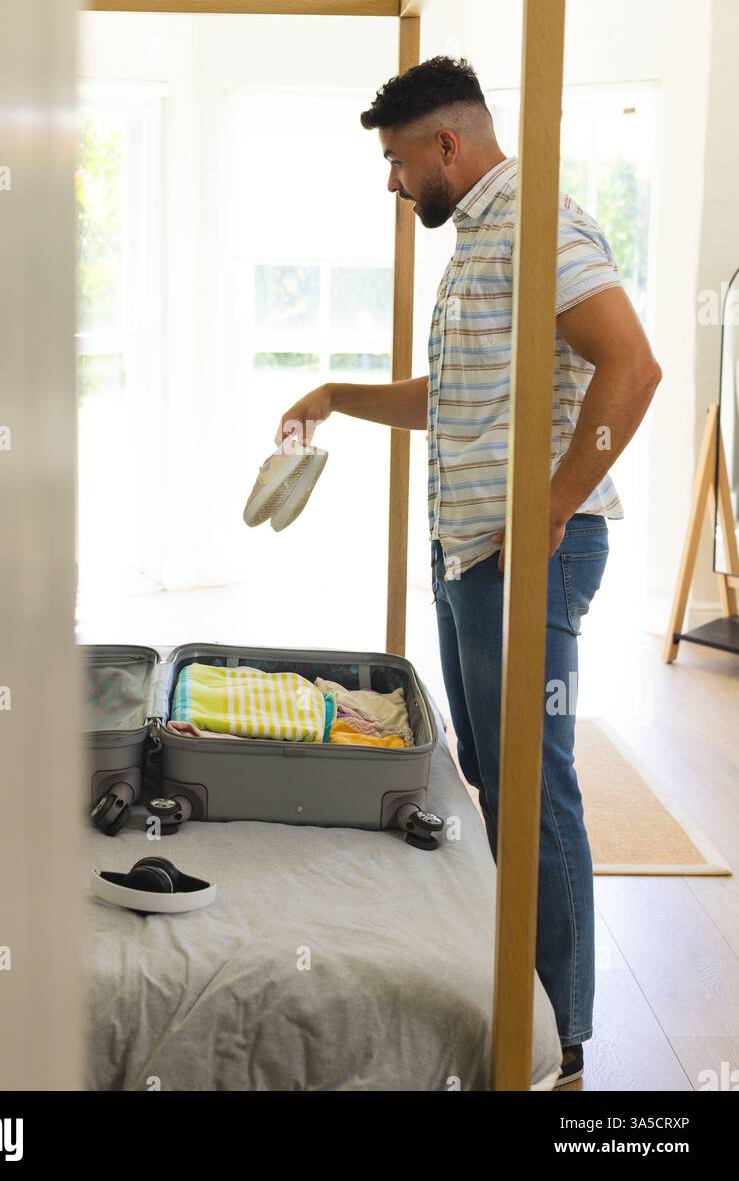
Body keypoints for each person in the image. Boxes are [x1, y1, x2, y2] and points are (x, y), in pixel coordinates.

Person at [274, 56, 661, 1085]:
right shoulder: (486, 237)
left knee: (537, 790)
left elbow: (635, 365)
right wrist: (332, 394)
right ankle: (517, 990)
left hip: (526, 555)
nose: (393, 186)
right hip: (473, 556)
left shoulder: (539, 226)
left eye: (398, 163)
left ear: (447, 146)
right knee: (496, 780)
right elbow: (449, 397)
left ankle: (560, 1046)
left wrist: (551, 506)